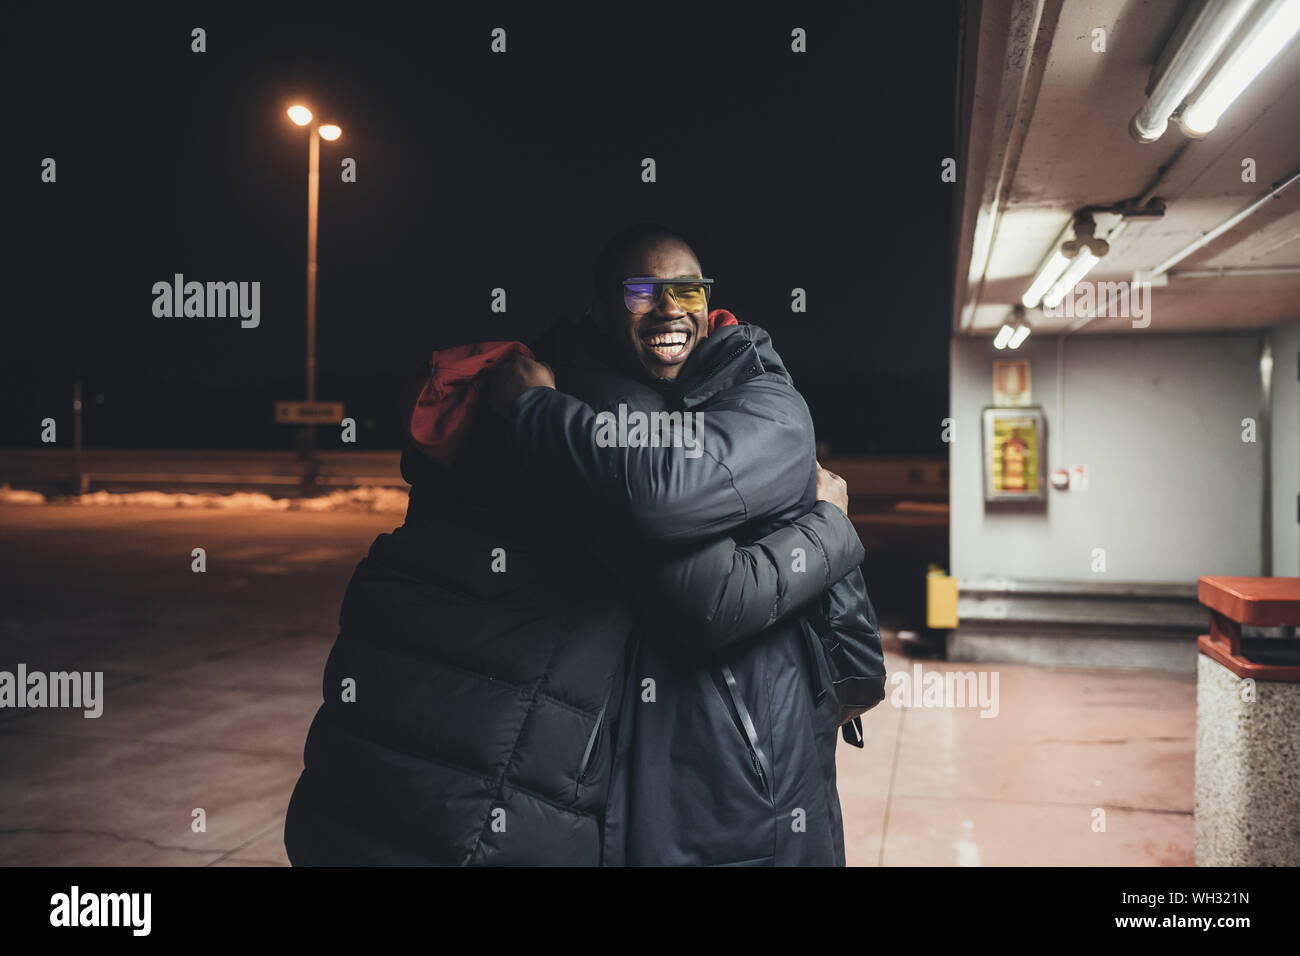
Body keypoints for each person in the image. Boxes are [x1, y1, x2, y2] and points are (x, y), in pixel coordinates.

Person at [483, 222, 885, 865]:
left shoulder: (761, 398)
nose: (669, 307)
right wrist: (832, 525)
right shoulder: (594, 406)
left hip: (782, 738)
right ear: (600, 306)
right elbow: (707, 590)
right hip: (707, 761)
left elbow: (670, 502)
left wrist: (538, 410)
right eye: (643, 290)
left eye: (686, 290)